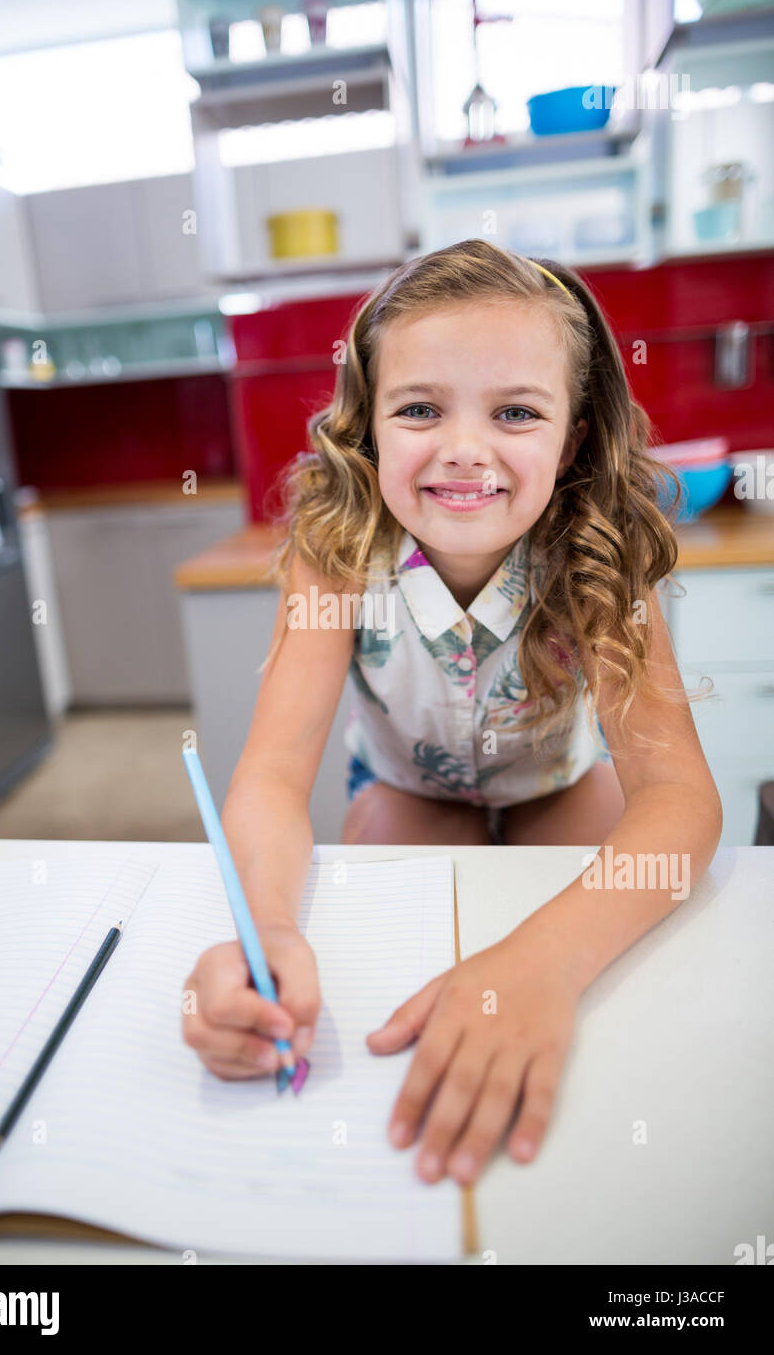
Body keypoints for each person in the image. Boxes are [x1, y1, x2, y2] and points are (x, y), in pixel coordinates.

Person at [181, 239, 722, 1187]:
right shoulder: (335, 544)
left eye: (515, 412)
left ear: (576, 432)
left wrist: (543, 965)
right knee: (384, 854)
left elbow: (680, 799)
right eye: (421, 408)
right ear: (370, 427)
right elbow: (272, 773)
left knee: (612, 959)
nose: (464, 449)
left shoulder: (595, 553)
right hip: (407, 790)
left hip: (556, 787)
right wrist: (264, 926)